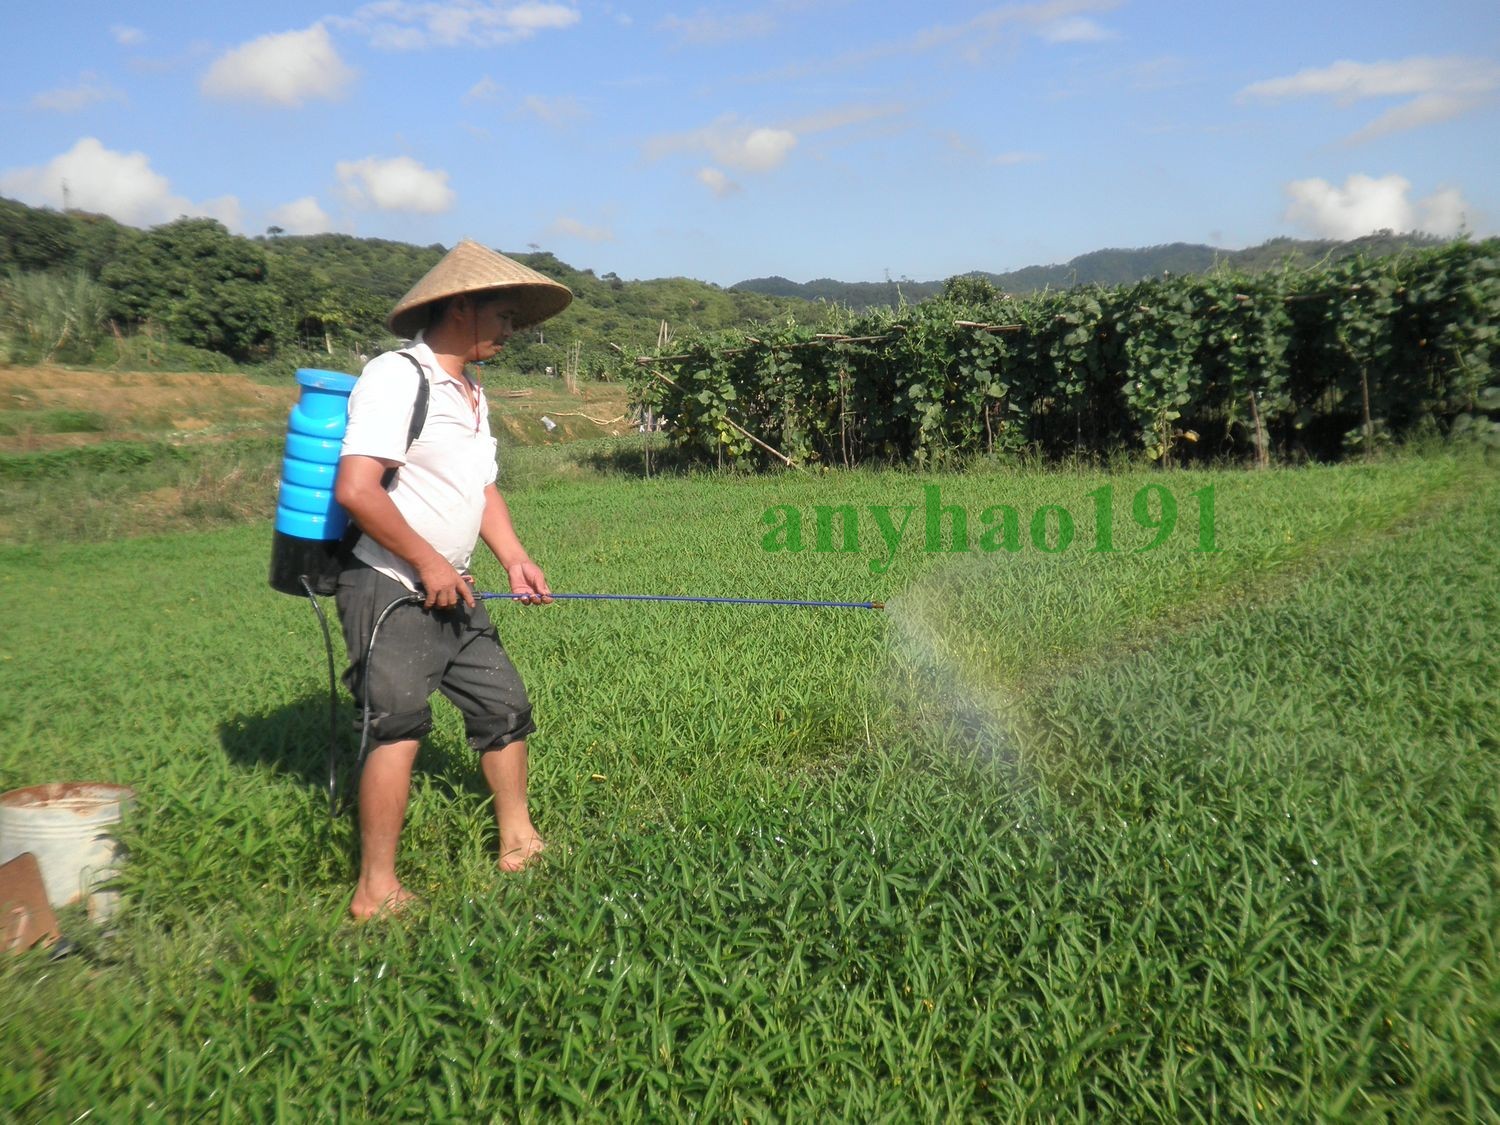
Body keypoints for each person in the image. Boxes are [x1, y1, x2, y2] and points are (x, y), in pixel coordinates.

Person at [333, 239, 572, 920]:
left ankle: (519, 840)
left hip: (454, 584)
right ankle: (375, 888)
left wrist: (515, 557)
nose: (512, 328)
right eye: (502, 312)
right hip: (389, 584)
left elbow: (481, 485)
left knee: (503, 705)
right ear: (460, 305)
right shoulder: (395, 377)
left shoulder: (471, 389)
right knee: (398, 724)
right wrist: (427, 561)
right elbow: (358, 489)